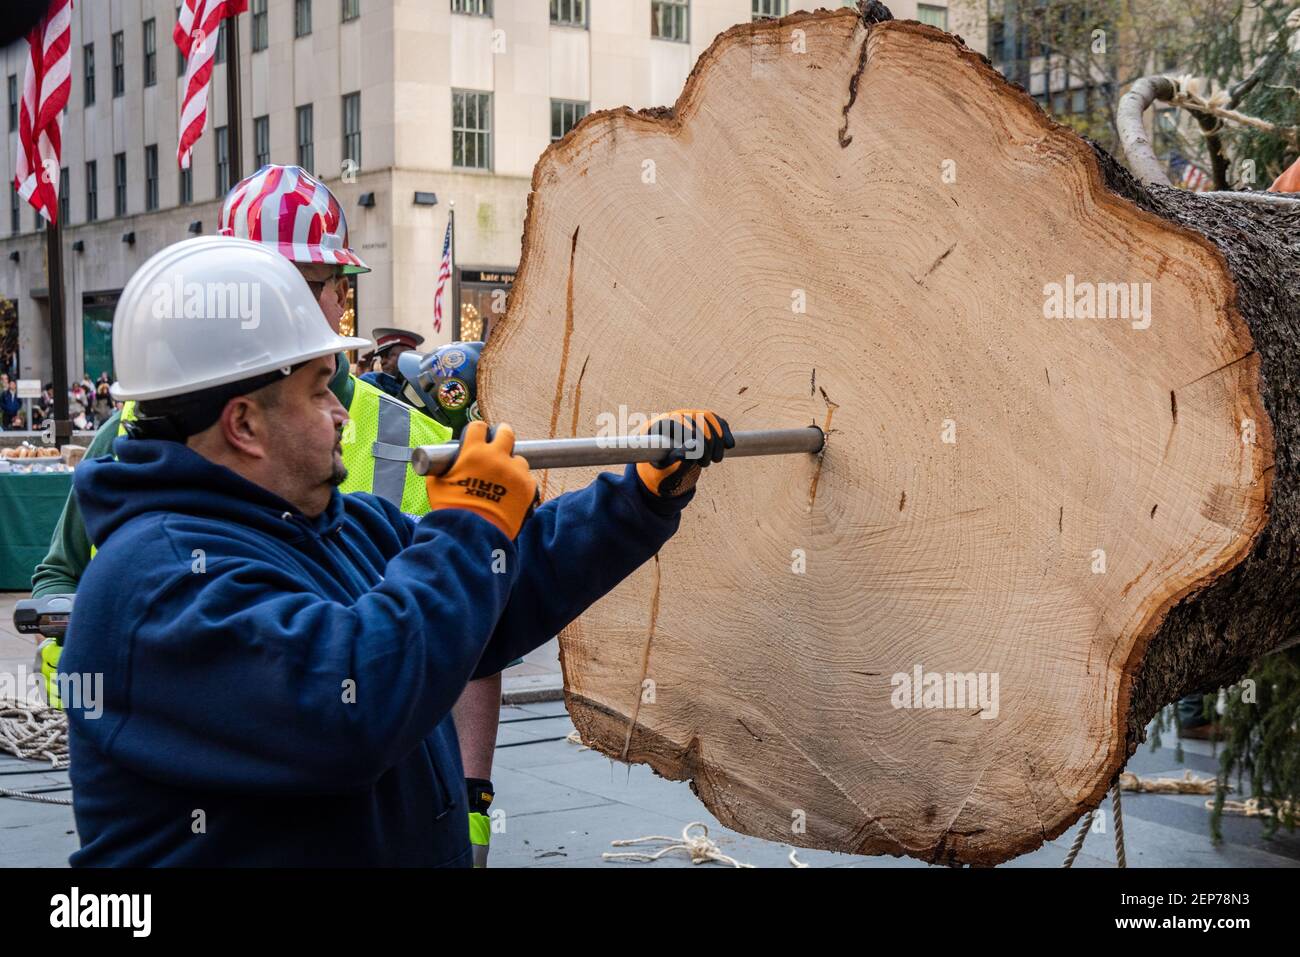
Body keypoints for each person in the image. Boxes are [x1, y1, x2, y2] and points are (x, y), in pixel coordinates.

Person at [60, 236, 732, 866]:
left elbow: (499, 595)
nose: (342, 413)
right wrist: (468, 524)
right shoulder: (157, 583)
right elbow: (352, 707)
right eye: (320, 388)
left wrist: (635, 498)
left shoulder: (334, 526)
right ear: (243, 423)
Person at [35, 164, 511, 865]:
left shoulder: (404, 435)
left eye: (309, 285)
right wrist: (113, 690)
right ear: (241, 425)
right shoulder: (148, 446)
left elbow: (480, 615)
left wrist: (469, 796)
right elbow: (62, 579)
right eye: (268, 282)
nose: (285, 305)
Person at [359, 328, 424, 400]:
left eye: (388, 355)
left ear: (407, 356)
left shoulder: (425, 385)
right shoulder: (372, 381)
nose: (382, 361)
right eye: (381, 357)